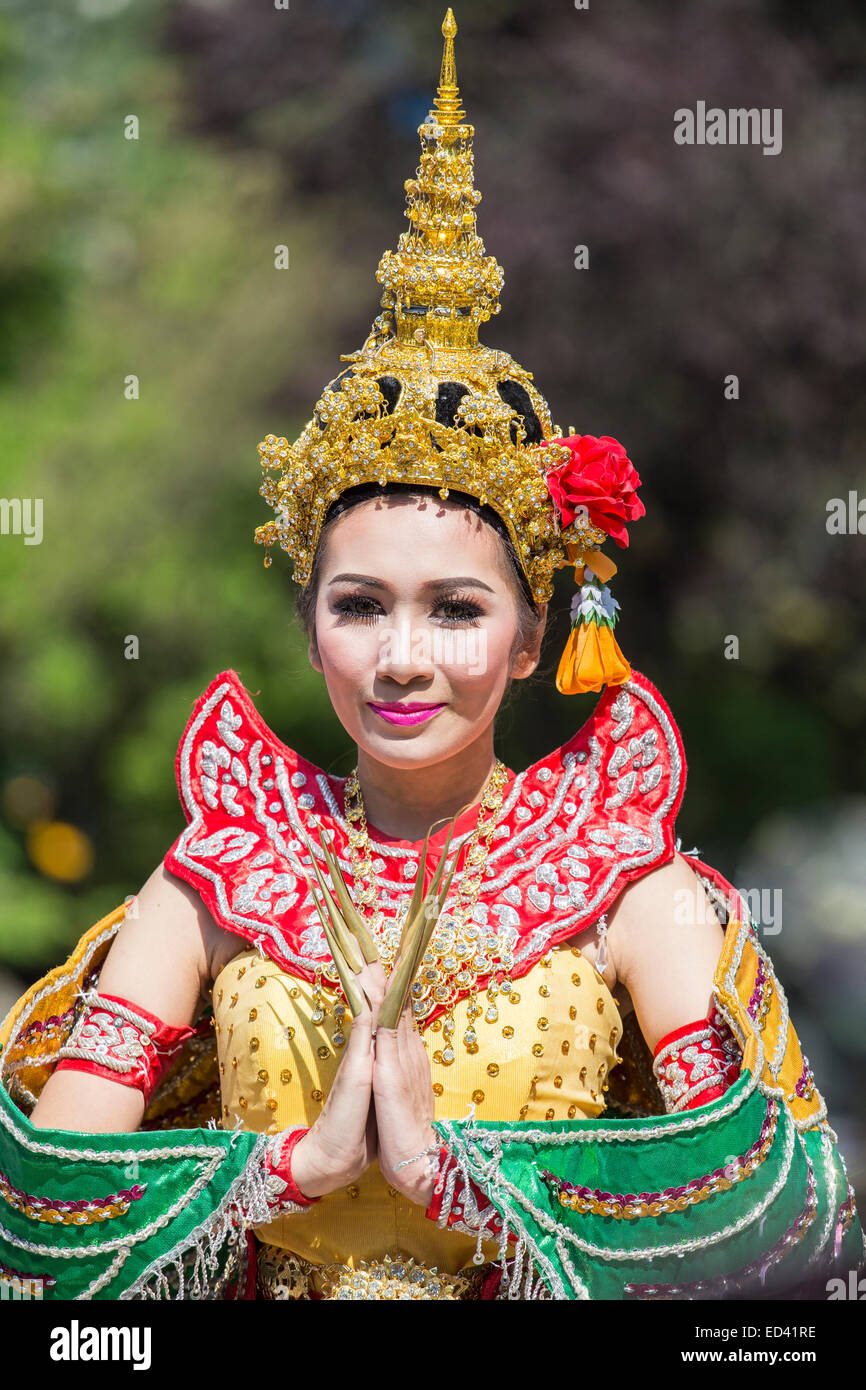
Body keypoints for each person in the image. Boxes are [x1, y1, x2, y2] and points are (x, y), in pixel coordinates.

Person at [0, 10, 861, 1302]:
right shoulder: (218, 878)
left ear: (531, 639)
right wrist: (290, 1169)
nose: (402, 657)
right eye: (359, 607)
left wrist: (461, 1184)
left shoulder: (633, 889)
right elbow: (41, 1217)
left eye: (456, 611)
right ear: (309, 627)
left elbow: (776, 1226)